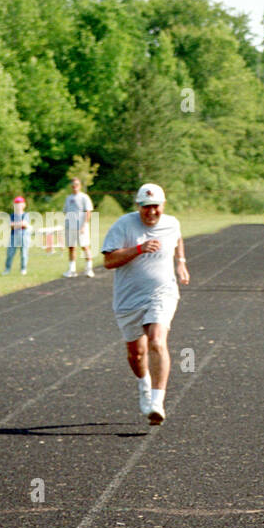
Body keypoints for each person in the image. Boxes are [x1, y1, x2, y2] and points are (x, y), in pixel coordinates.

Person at [100, 183, 189, 425]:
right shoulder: (123, 225)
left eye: (155, 207)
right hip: (129, 298)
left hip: (163, 293)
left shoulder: (172, 223)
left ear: (163, 205)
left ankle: (157, 401)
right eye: (146, 207)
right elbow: (108, 261)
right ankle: (144, 385)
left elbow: (177, 238)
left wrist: (180, 262)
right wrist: (139, 249)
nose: (151, 212)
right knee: (136, 354)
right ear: (138, 206)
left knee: (157, 340)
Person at [63, 178, 95, 277]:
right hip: (70, 227)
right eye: (73, 185)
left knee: (85, 247)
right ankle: (72, 270)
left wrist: (84, 225)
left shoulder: (84, 197)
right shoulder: (68, 198)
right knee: (71, 248)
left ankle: (89, 269)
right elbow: (65, 211)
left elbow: (88, 211)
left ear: (80, 185)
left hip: (81, 226)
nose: (75, 186)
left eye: (76, 184)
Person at [4, 196, 31, 275]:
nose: (18, 205)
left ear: (23, 205)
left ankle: (23, 269)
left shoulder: (26, 214)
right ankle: (7, 269)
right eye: (16, 204)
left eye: (20, 203)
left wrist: (15, 224)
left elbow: (25, 225)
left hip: (24, 236)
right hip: (13, 236)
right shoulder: (12, 215)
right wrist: (20, 224)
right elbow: (10, 225)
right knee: (10, 253)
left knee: (24, 254)